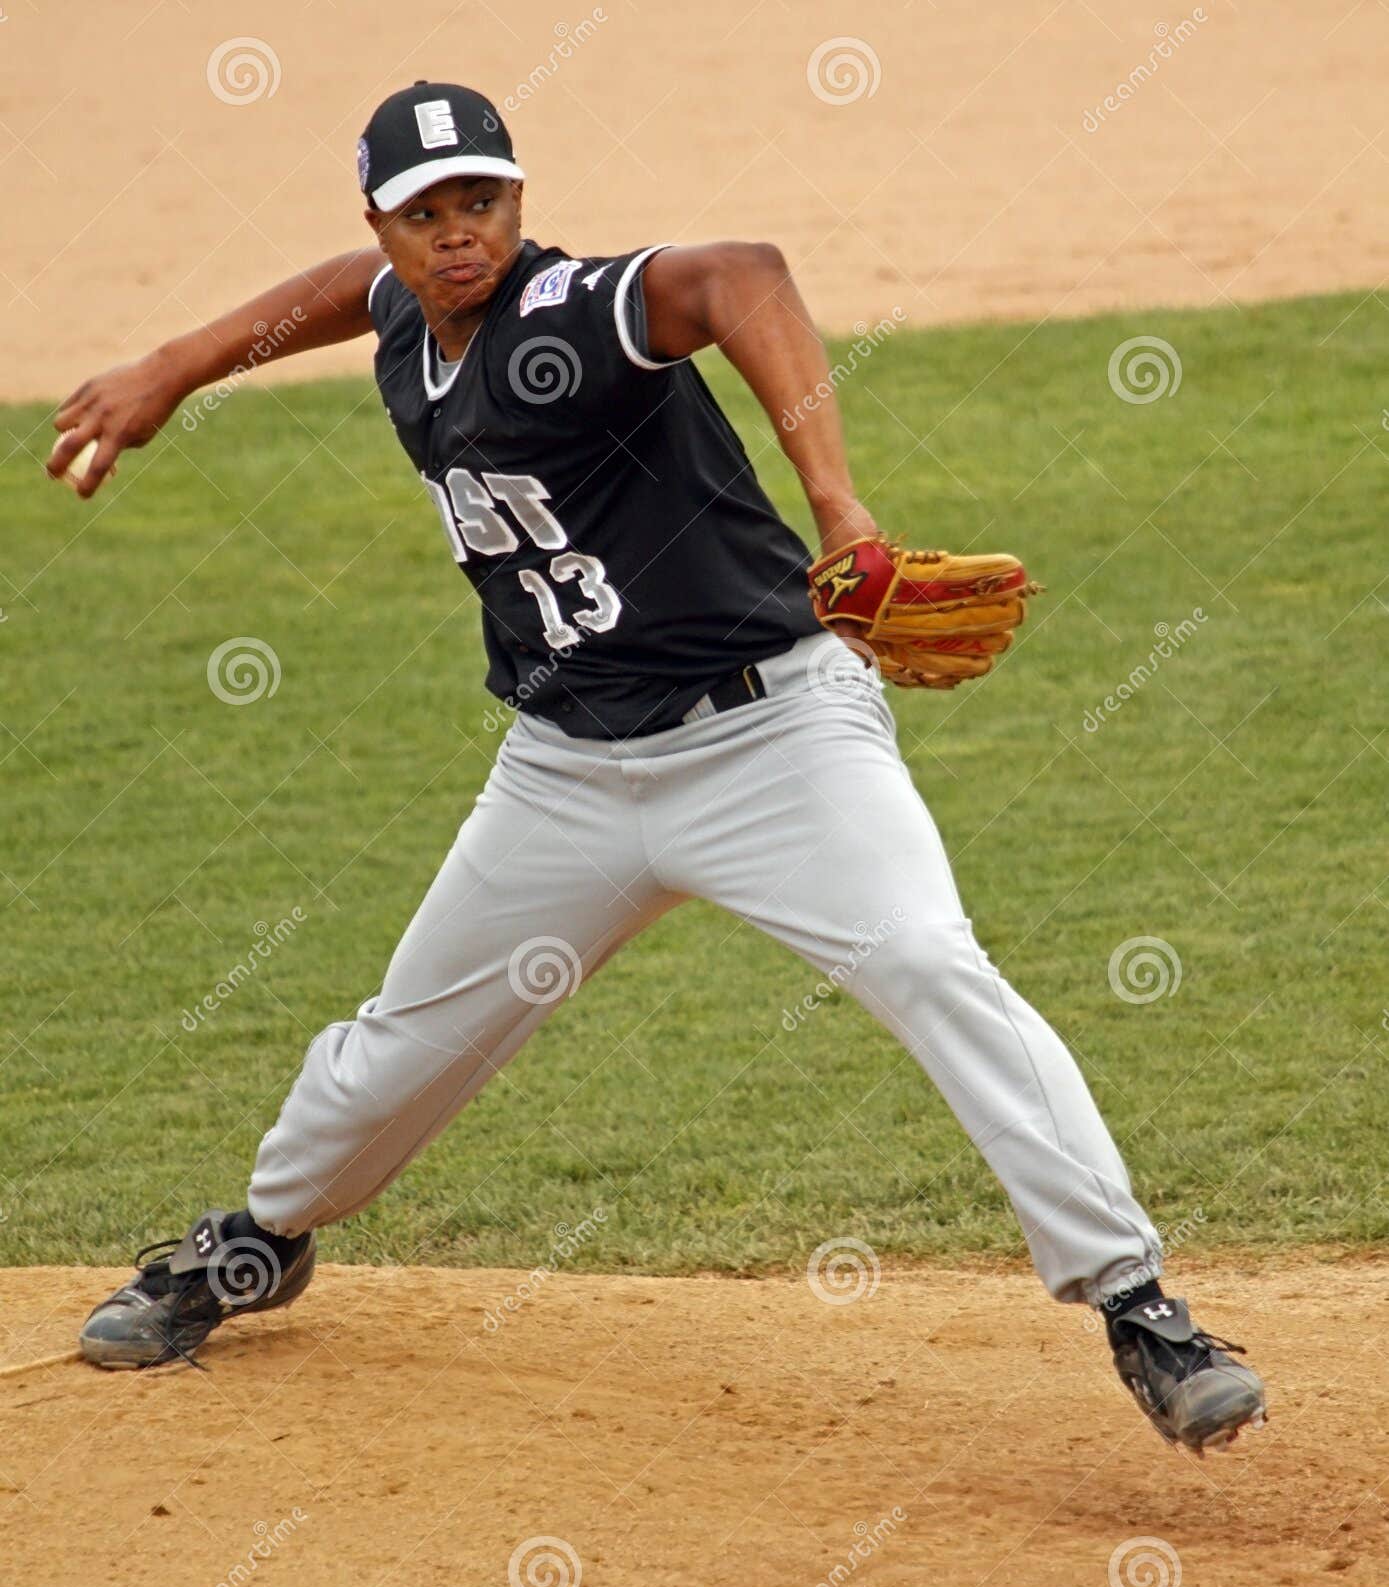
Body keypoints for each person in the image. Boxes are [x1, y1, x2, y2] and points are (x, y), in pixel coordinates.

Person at [49, 82, 1264, 1454]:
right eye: (424, 213)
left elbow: (743, 274)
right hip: (564, 773)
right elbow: (342, 291)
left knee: (930, 963)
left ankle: (1139, 1307)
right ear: (385, 224)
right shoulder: (404, 315)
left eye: (484, 203)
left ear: (522, 202)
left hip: (773, 738)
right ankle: (261, 1239)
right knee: (403, 1039)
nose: (459, 236)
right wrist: (172, 368)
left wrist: (841, 506)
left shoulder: (572, 310)